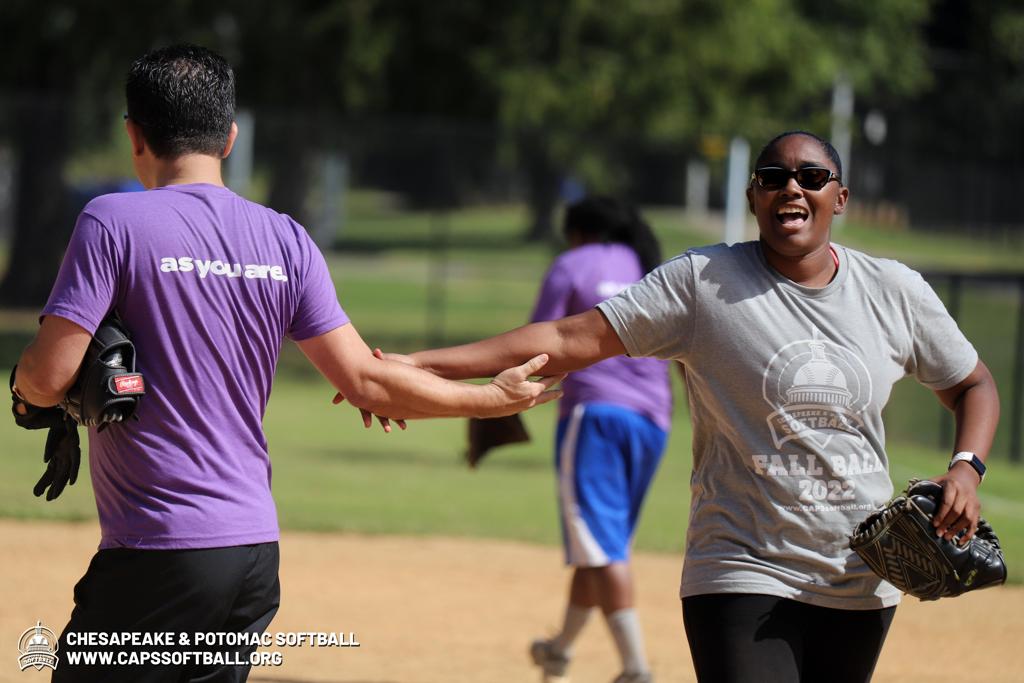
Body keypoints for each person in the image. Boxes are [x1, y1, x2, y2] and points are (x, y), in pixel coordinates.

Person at [10, 44, 560, 683]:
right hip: (251, 556)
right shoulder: (284, 238)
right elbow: (368, 380)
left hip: (160, 550)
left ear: (134, 134)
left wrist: (30, 395)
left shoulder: (112, 221)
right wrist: (494, 397)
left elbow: (48, 377)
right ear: (230, 137)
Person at [384, 131, 999, 683]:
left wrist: (966, 466)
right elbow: (567, 339)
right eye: (773, 177)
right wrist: (420, 365)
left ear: (840, 198)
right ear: (754, 196)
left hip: (858, 575)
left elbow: (974, 385)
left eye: (812, 177)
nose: (792, 187)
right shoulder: (702, 282)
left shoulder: (893, 292)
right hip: (740, 564)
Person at [526, 197, 671, 683]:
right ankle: (559, 650)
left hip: (594, 415)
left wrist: (493, 405)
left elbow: (538, 340)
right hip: (653, 420)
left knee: (604, 548)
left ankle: (635, 668)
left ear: (578, 232)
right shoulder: (647, 268)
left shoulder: (573, 263)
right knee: (600, 545)